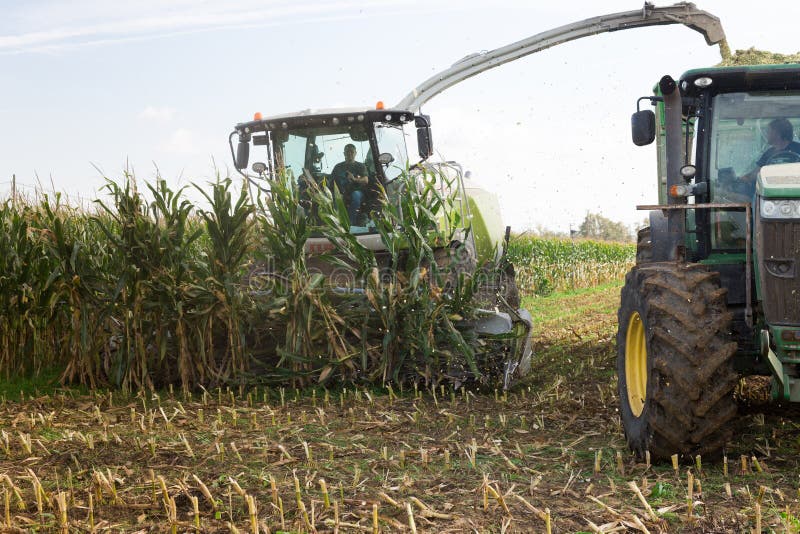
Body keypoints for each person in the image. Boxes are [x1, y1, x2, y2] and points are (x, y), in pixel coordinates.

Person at [740, 118, 800, 185]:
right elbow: (757, 172)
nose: (766, 134)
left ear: (778, 134)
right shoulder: (769, 153)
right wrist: (743, 178)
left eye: (769, 131)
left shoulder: (798, 149)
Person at [330, 143, 369, 225]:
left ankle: (350, 223)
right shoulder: (338, 167)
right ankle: (336, 224)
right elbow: (331, 181)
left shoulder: (360, 166)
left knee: (355, 196)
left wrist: (354, 179)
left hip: (356, 192)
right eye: (347, 152)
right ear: (344, 153)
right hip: (340, 193)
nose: (349, 154)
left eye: (352, 151)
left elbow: (365, 180)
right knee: (335, 199)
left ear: (355, 153)